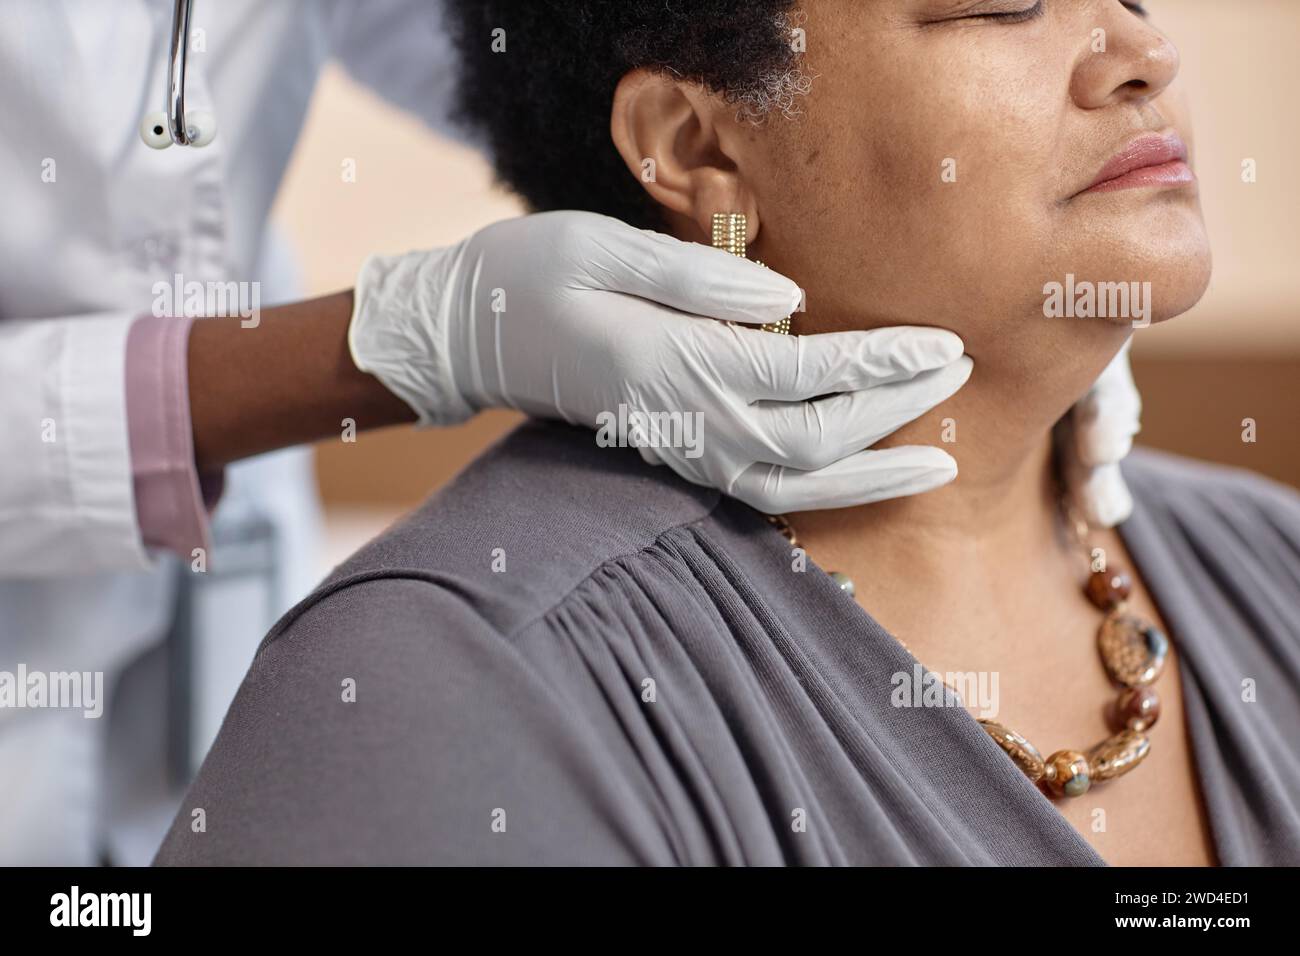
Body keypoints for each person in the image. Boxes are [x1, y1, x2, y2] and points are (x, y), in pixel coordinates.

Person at [152, 0, 1300, 867]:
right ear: (698, 148)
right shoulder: (444, 688)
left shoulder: (1272, 561)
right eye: (994, 0)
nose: (1139, 53)